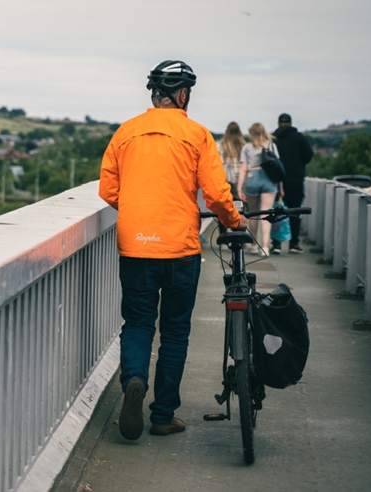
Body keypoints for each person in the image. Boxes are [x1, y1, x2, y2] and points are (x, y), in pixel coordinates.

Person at [99, 60, 246, 440]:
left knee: (138, 323)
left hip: (135, 246)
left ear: (153, 94)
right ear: (183, 95)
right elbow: (215, 194)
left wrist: (139, 213)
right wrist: (234, 221)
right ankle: (162, 415)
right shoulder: (196, 134)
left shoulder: (125, 133)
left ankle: (134, 379)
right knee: (176, 332)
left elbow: (108, 191)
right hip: (180, 248)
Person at [271, 113, 314, 254]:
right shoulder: (299, 138)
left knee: (276, 211)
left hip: (277, 180)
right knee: (295, 210)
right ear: (291, 123)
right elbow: (308, 155)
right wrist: (298, 164)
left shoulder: (273, 138)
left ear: (278, 124)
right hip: (295, 179)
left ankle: (276, 244)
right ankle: (294, 243)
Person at [237, 122, 281, 256]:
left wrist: (239, 188)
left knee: (253, 214)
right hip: (268, 178)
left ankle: (253, 244)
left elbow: (243, 169)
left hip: (252, 177)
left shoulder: (247, 147)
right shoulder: (271, 145)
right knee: (267, 214)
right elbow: (278, 167)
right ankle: (265, 247)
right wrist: (280, 187)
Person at [217, 122, 245, 200]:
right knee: (241, 207)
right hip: (241, 181)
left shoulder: (220, 146)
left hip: (226, 179)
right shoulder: (244, 146)